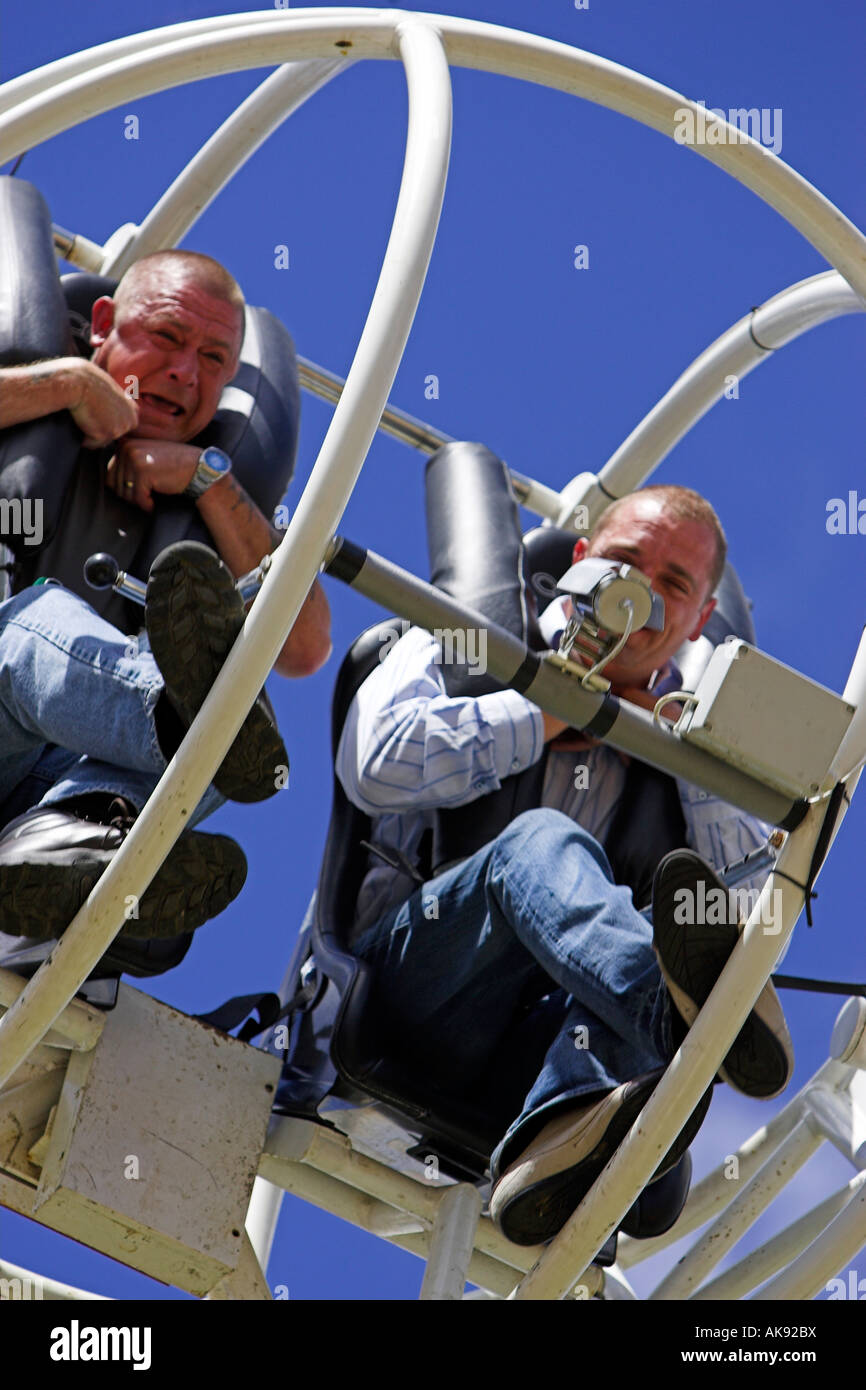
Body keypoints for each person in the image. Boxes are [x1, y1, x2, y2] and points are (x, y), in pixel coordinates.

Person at [335, 484, 793, 1246]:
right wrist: (546, 712)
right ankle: (672, 1016)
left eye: (673, 585)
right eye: (623, 563)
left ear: (697, 622)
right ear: (580, 560)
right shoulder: (470, 639)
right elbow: (376, 763)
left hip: (556, 1042)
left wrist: (670, 742)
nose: (638, 594)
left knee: (685, 924)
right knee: (541, 843)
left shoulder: (692, 733)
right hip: (421, 988)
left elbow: (739, 905)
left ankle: (559, 1131)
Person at [0, 250, 331, 941]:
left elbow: (303, 646)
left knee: (235, 688)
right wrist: (65, 385)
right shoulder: (33, 399)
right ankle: (193, 725)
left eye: (214, 359)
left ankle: (70, 847)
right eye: (168, 337)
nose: (186, 372)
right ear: (102, 324)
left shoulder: (214, 494)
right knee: (38, 616)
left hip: (28, 801)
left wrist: (210, 479)